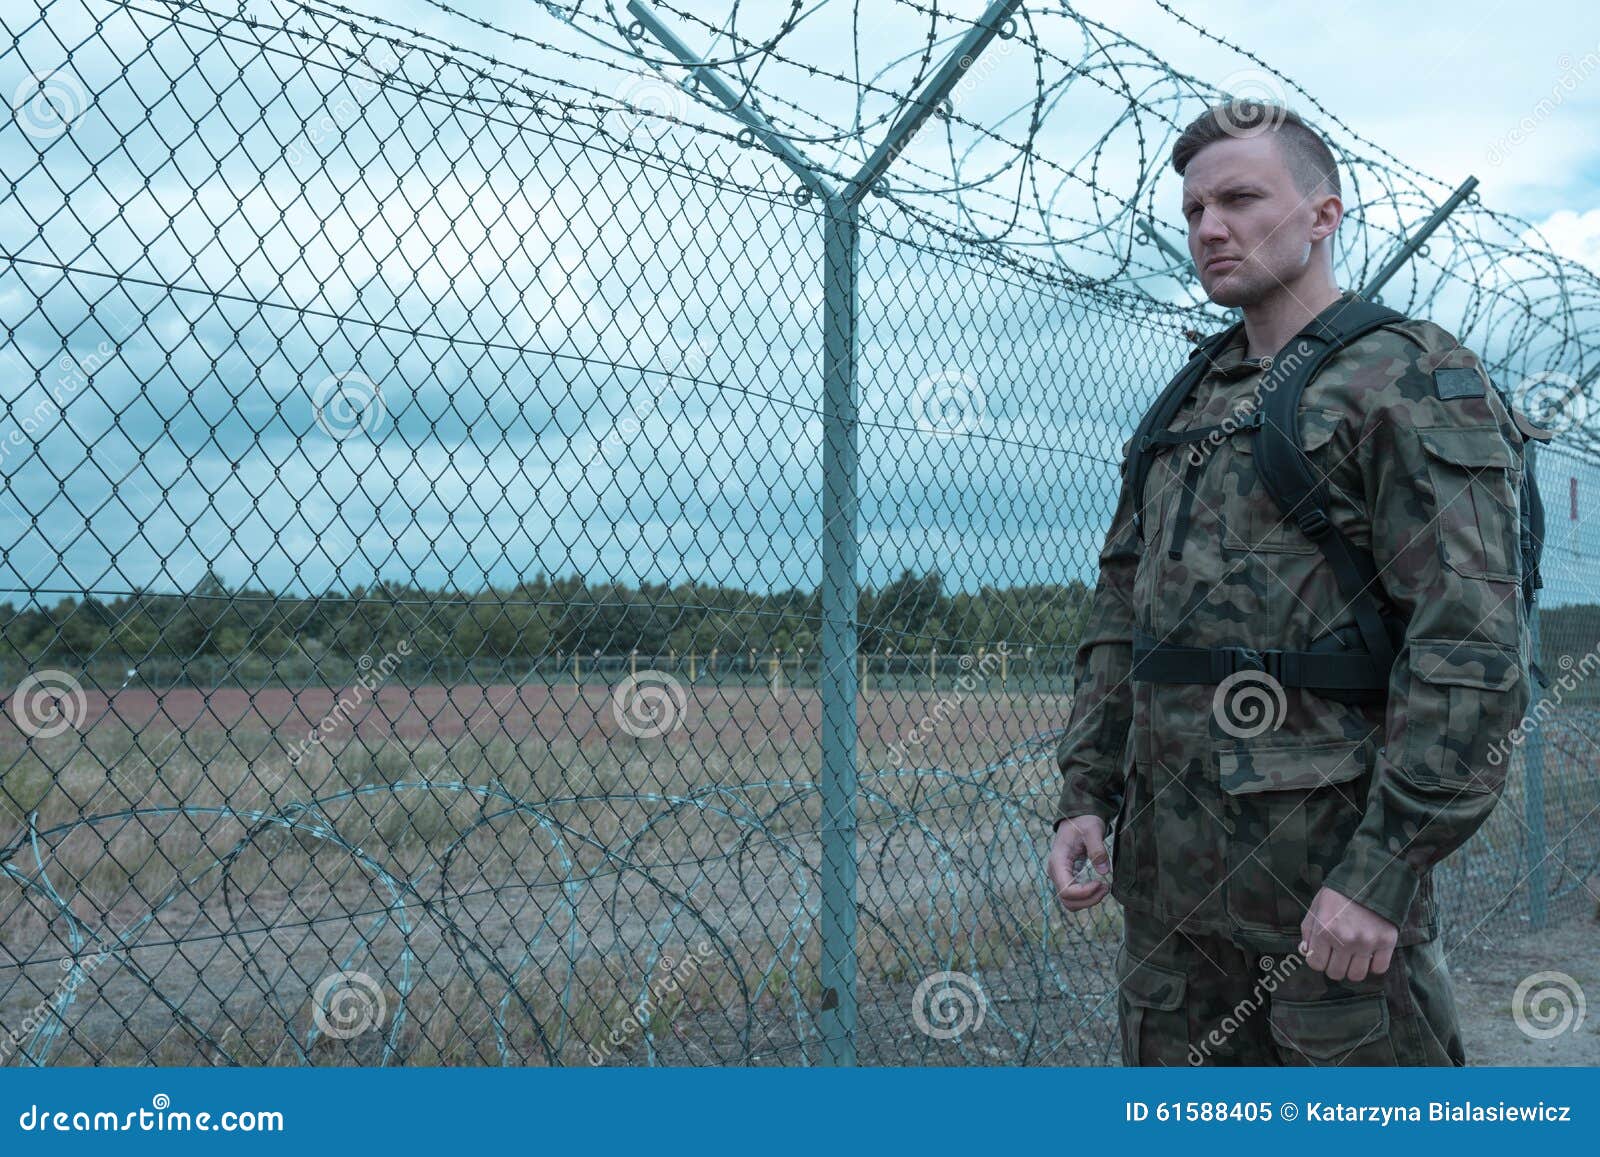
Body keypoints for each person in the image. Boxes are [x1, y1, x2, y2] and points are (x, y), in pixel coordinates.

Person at [1047, 99, 1532, 1066]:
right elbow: (1123, 612)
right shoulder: (1188, 398)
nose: (1209, 228)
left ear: (1322, 215)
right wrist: (1085, 792)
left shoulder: (1404, 377)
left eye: (1239, 200)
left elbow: (1469, 647)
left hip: (1326, 902)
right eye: (1194, 210)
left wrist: (1382, 872)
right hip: (1170, 907)